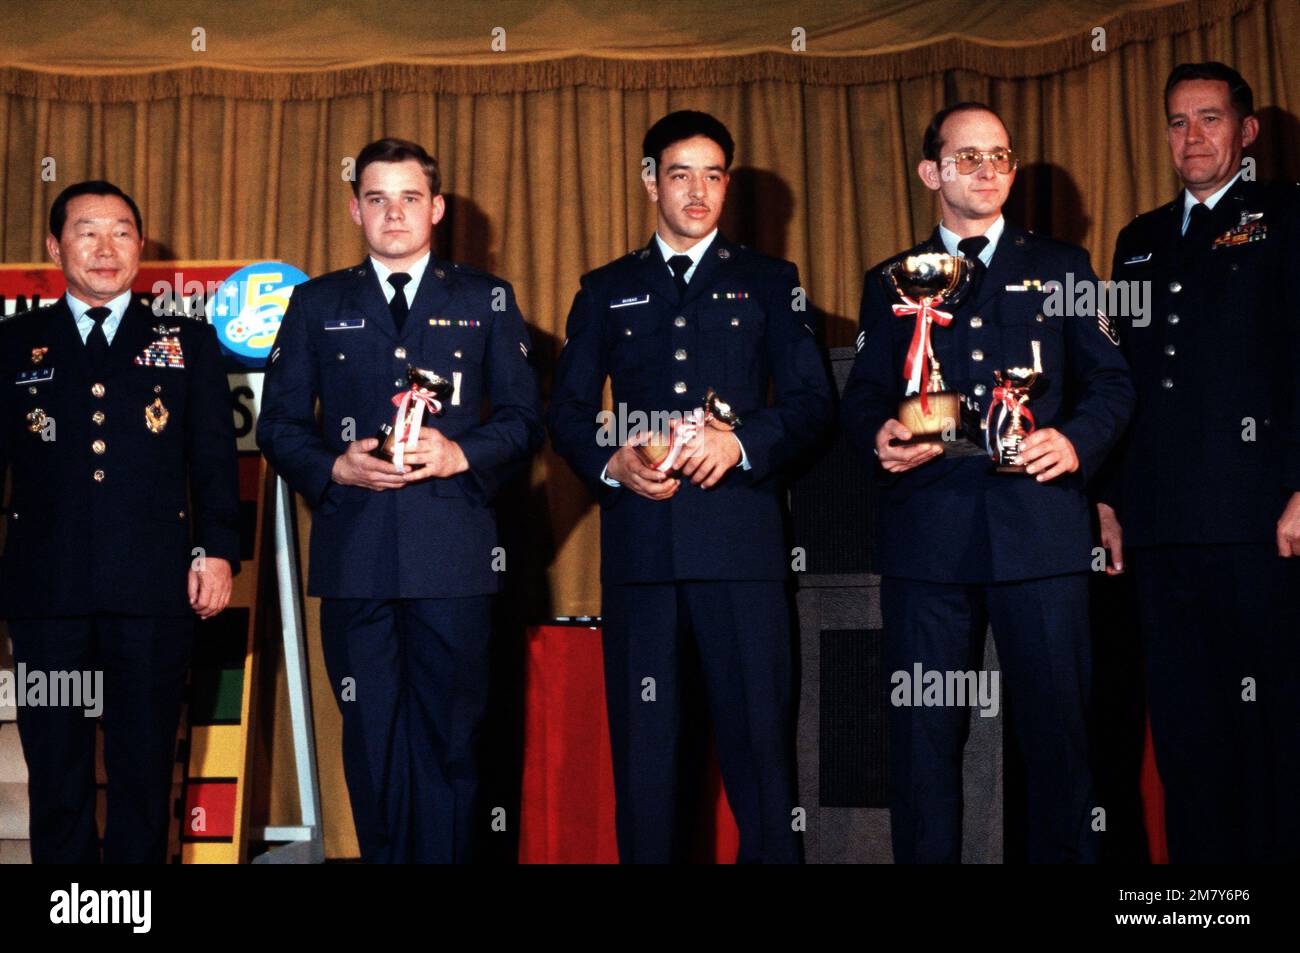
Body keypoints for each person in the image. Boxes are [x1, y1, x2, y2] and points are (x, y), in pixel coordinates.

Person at [841, 103, 1133, 863]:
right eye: (967, 158)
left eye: (999, 157)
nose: (986, 172)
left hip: (1039, 535)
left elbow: (1112, 385)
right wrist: (879, 432)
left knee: (1059, 744)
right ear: (930, 172)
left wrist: (1072, 441)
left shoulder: (1065, 267)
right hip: (927, 541)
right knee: (923, 744)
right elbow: (866, 393)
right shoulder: (890, 280)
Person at [548, 110, 833, 863]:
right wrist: (615, 461)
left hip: (741, 553)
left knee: (761, 763)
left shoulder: (771, 282)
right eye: (680, 174)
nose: (698, 190)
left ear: (727, 184)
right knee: (647, 766)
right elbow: (569, 412)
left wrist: (740, 443)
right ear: (650, 182)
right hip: (643, 556)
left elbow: (811, 404)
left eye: (713, 174)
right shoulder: (607, 288)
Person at [257, 138, 543, 863]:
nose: (394, 212)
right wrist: (335, 466)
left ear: (437, 207)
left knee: (453, 745)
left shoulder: (485, 298)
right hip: (357, 563)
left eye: (410, 197)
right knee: (374, 745)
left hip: (454, 563)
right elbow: (278, 427)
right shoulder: (317, 301)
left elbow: (523, 421)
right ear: (355, 208)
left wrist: (459, 452)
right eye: (377, 198)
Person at [0, 180, 240, 863]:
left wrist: (218, 550)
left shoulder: (185, 342)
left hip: (153, 599)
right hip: (49, 601)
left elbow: (214, 463)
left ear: (141, 245)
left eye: (122, 232)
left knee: (142, 769)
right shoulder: (14, 344)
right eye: (87, 232)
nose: (106, 249)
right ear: (54, 245)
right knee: (58, 770)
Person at [1098, 62, 1300, 863]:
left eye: (1210, 119)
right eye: (1179, 121)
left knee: (1274, 724)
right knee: (1185, 731)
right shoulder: (1138, 239)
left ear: (1246, 132)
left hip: (1262, 519)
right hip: (1161, 526)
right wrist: (1109, 498)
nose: (1193, 137)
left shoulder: (1286, 215)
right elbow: (1122, 381)